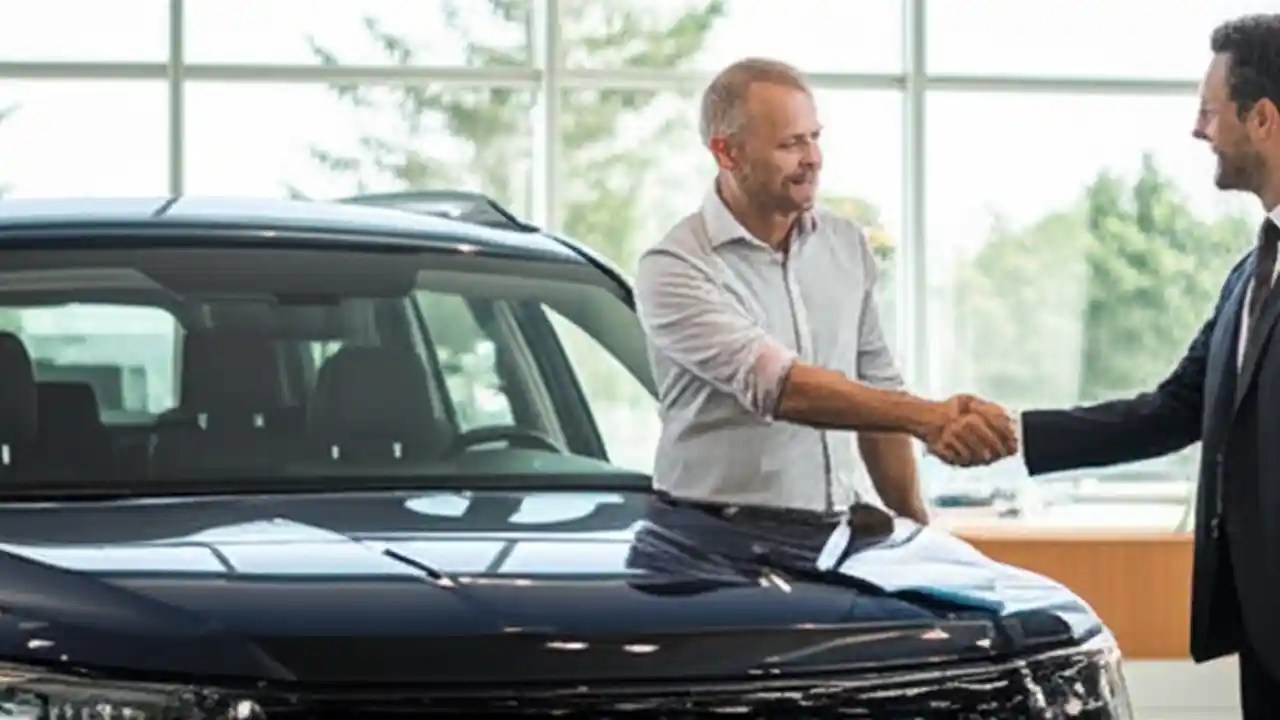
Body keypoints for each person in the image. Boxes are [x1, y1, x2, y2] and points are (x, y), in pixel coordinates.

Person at [1009, 14, 1280, 716]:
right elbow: (1173, 410)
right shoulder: (1249, 277)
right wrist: (1012, 433)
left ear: (1263, 120)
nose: (1198, 131)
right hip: (1265, 630)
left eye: (1208, 112)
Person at [633, 57, 1016, 538]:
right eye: (791, 143)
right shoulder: (675, 266)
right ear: (727, 153)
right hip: (709, 543)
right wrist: (932, 418)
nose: (812, 158)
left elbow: (878, 393)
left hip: (832, 534)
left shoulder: (844, 243)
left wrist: (918, 529)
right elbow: (780, 387)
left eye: (814, 137)